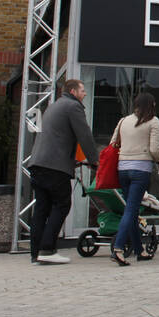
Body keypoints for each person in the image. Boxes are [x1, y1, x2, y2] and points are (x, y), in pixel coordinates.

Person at [28, 78, 98, 264]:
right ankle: (48, 249)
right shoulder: (73, 107)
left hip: (38, 164)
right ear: (73, 92)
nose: (85, 94)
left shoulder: (54, 106)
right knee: (62, 204)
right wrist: (95, 161)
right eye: (82, 90)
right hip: (54, 167)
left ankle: (35, 253)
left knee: (42, 209)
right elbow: (84, 135)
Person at [109, 92, 159, 265]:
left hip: (122, 168)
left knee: (130, 209)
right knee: (132, 209)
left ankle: (139, 250)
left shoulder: (123, 120)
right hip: (141, 170)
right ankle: (118, 249)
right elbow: (154, 149)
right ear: (151, 105)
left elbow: (112, 144)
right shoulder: (153, 121)